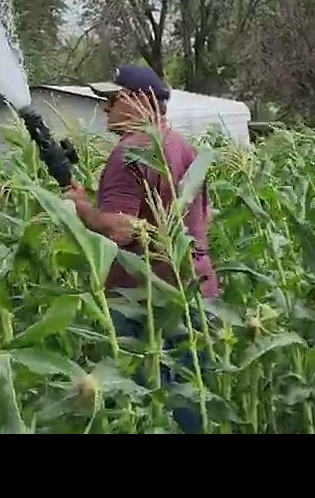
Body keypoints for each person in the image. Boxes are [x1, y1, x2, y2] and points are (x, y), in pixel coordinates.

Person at [63, 65, 219, 432]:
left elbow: (120, 229)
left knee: (145, 398)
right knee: (192, 394)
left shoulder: (130, 151)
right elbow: (206, 216)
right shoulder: (184, 146)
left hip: (147, 299)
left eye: (112, 99)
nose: (105, 108)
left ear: (139, 100)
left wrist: (82, 209)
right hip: (195, 288)